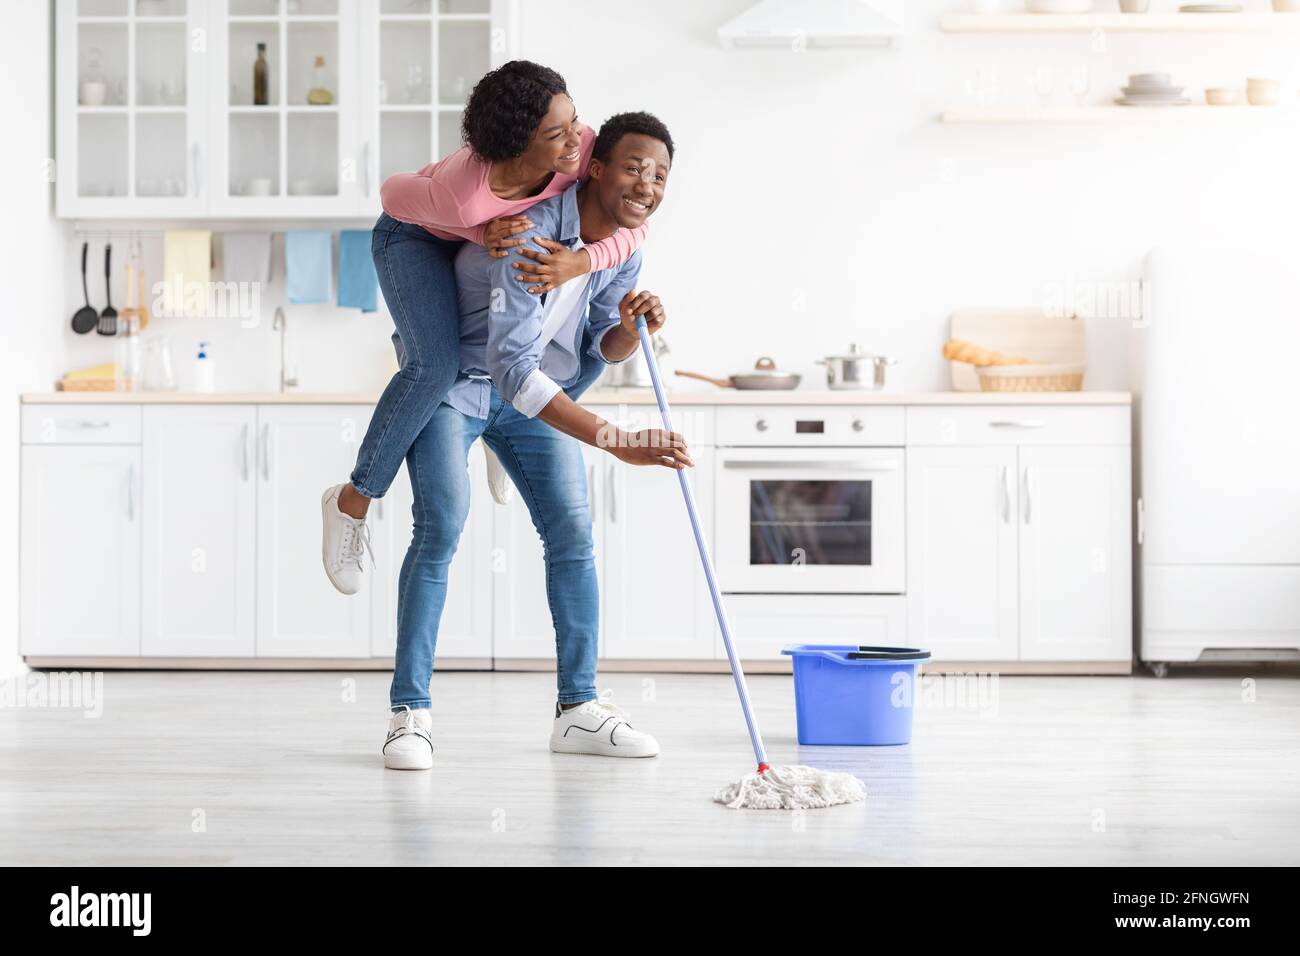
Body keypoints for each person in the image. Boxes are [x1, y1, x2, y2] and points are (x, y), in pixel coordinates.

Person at [382, 113, 684, 770]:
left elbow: (600, 342)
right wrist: (614, 438)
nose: (647, 182)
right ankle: (410, 714)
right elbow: (513, 371)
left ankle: (578, 711)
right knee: (441, 527)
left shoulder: (626, 243)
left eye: (660, 174)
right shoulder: (531, 233)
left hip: (533, 395)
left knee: (572, 534)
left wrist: (634, 328)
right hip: (461, 383)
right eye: (634, 165)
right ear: (596, 166)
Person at [320, 60, 663, 594]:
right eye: (558, 132)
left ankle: (511, 431)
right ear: (520, 145)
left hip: (479, 241)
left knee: (580, 349)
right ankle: (353, 499)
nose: (578, 139)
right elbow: (391, 194)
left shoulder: (582, 149)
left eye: (575, 119)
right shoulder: (464, 191)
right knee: (436, 366)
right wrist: (477, 230)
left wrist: (579, 263)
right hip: (415, 240)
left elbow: (634, 230)